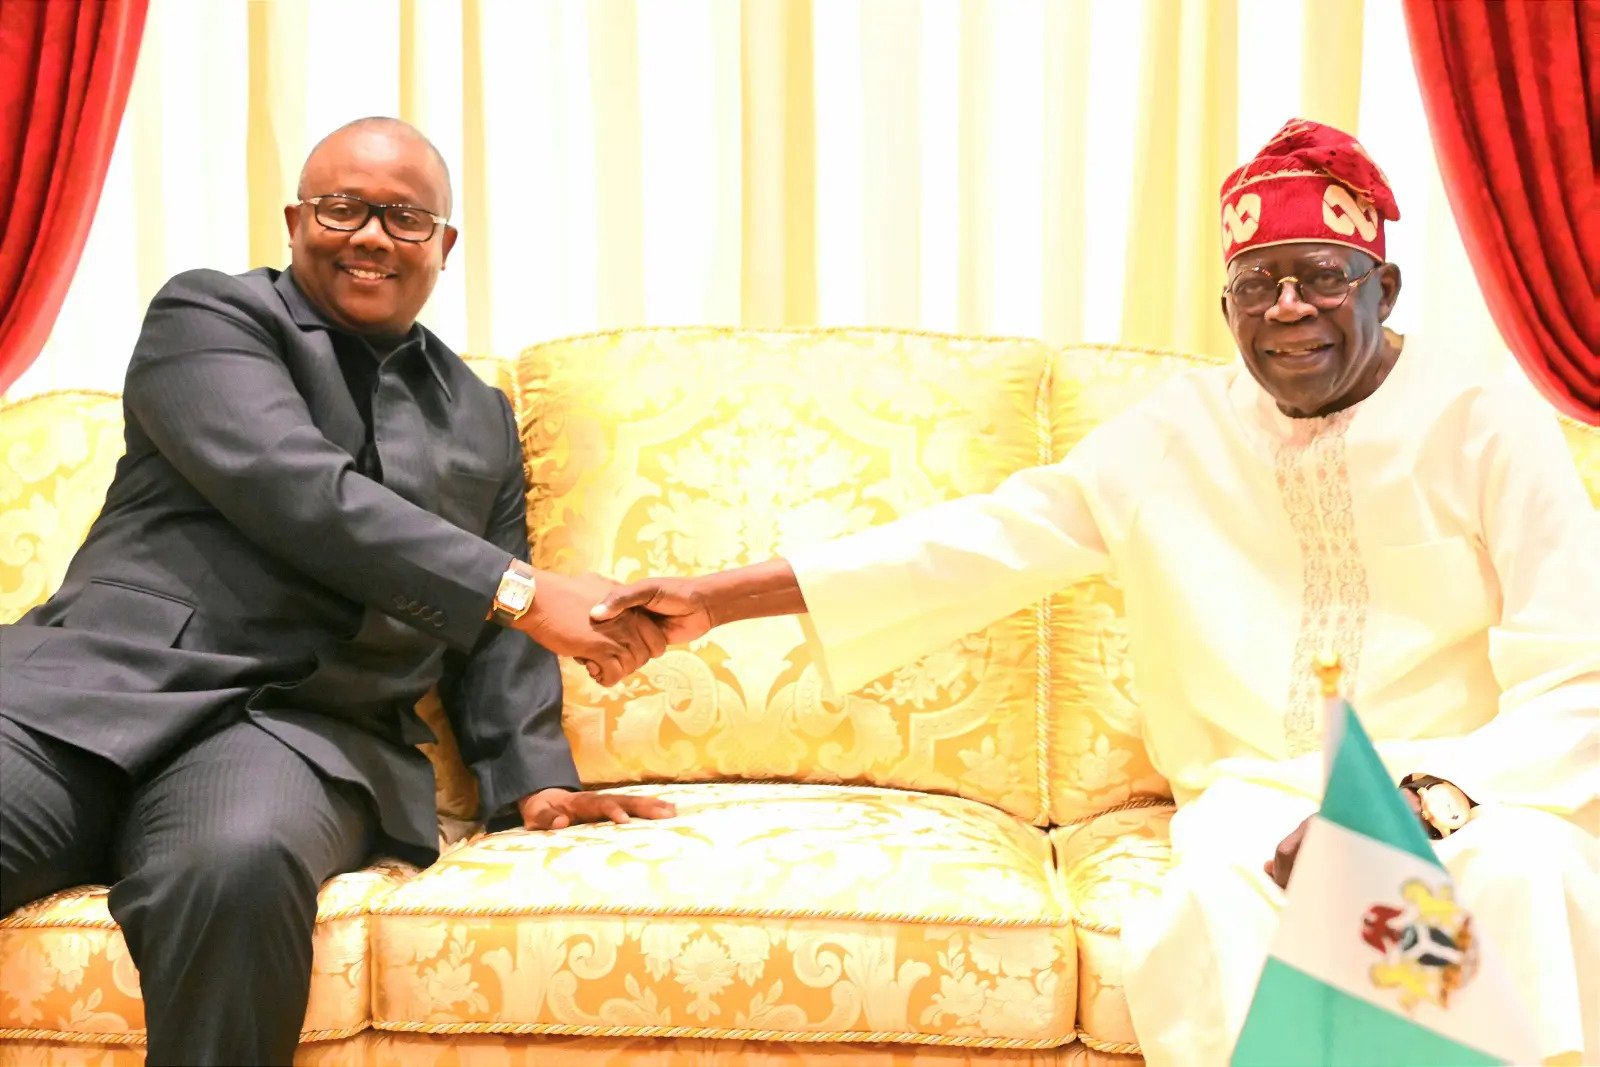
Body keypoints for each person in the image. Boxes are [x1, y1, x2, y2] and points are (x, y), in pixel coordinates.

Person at [592, 119, 1599, 1066]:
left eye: (1320, 279)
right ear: (1226, 309)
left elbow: (1579, 667)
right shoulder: (1175, 433)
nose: (1286, 307)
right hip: (1259, 798)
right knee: (1231, 901)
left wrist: (1419, 800)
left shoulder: (1483, 418)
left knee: (1523, 877)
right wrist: (720, 599)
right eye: (1257, 285)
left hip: (1460, 789)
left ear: (1383, 283)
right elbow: (978, 540)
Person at [0, 117, 673, 1065]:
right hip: (94, 687)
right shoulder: (211, 318)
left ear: (445, 245)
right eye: (342, 206)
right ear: (294, 220)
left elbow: (493, 645)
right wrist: (520, 589)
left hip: (296, 729)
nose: (369, 234)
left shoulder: (479, 418)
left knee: (233, 868)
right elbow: (296, 488)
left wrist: (532, 780)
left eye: (403, 216)